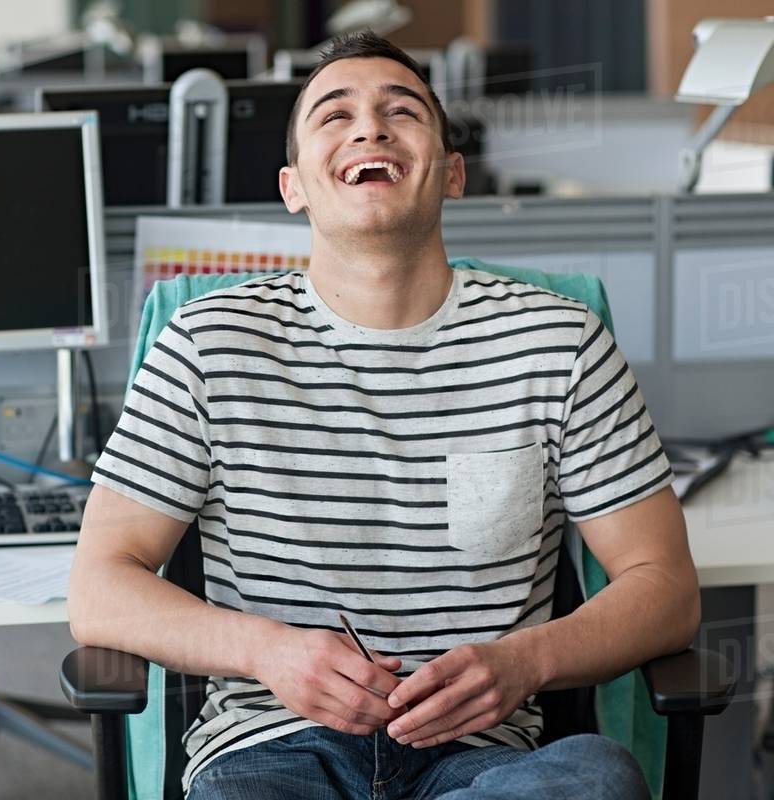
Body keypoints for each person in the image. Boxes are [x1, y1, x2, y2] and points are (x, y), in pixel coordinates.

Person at [68, 31, 700, 800]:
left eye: (402, 111)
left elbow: (664, 587)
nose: (369, 127)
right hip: (271, 754)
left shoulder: (557, 342)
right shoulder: (209, 343)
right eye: (335, 116)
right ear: (293, 185)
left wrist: (525, 661)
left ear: (454, 174)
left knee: (597, 779)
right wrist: (270, 652)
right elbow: (99, 588)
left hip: (482, 759)